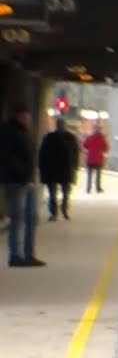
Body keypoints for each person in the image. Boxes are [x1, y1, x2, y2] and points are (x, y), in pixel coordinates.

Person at [0, 103, 44, 267]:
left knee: (31, 217)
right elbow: (7, 157)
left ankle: (29, 253)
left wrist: (31, 177)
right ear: (17, 116)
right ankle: (15, 255)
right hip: (14, 181)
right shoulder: (7, 132)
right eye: (25, 116)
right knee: (16, 219)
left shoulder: (25, 132)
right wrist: (21, 173)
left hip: (28, 181)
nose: (27, 119)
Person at [38, 117, 78, 221]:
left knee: (57, 193)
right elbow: (75, 154)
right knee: (60, 192)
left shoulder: (49, 137)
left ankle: (57, 212)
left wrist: (42, 167)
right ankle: (61, 211)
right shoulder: (70, 138)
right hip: (63, 169)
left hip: (55, 170)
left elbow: (42, 154)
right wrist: (74, 167)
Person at [83, 125, 108, 194]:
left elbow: (85, 145)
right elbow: (106, 148)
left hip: (90, 159)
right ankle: (98, 188)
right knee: (98, 175)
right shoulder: (102, 138)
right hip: (98, 160)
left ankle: (88, 188)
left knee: (89, 175)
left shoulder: (90, 137)